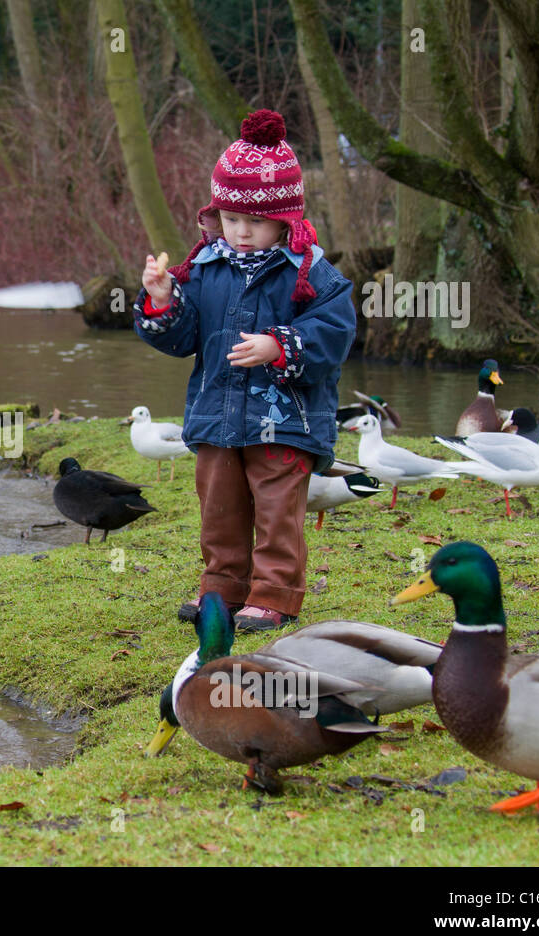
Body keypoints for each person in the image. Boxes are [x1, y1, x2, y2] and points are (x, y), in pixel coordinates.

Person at [135, 109, 356, 632]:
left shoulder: (310, 272)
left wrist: (279, 346)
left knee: (278, 510)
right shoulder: (205, 267)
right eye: (231, 219)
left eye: (254, 223)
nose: (240, 232)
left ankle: (275, 593)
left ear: (284, 220)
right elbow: (184, 337)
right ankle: (223, 586)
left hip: (285, 420)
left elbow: (336, 333)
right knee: (220, 507)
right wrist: (163, 301)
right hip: (216, 413)